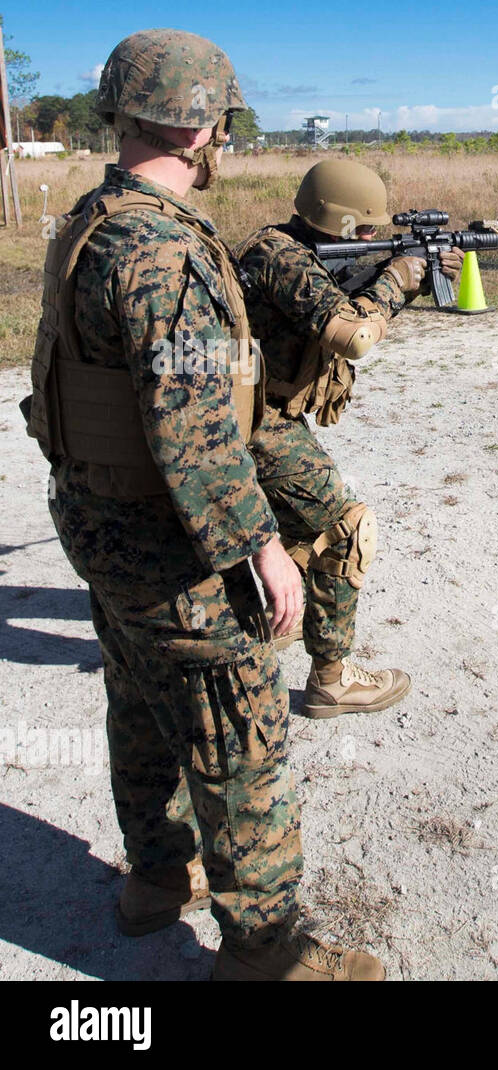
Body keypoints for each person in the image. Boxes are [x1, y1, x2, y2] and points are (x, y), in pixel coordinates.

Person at [22, 28, 382, 980]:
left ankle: (153, 880)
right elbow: (192, 430)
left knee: (140, 708)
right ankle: (270, 949)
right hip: (173, 545)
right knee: (240, 734)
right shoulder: (162, 255)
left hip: (101, 531)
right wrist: (259, 546)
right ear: (200, 129)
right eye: (220, 120)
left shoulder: (90, 222)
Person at [236, 160, 462, 718]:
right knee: (347, 526)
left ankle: (278, 620)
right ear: (333, 222)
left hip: (257, 408)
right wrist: (399, 278)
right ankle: (332, 680)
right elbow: (355, 335)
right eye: (364, 231)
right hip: (252, 419)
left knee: (298, 522)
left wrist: (410, 274)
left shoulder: (292, 246)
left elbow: (350, 304)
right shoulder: (282, 258)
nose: (372, 239)